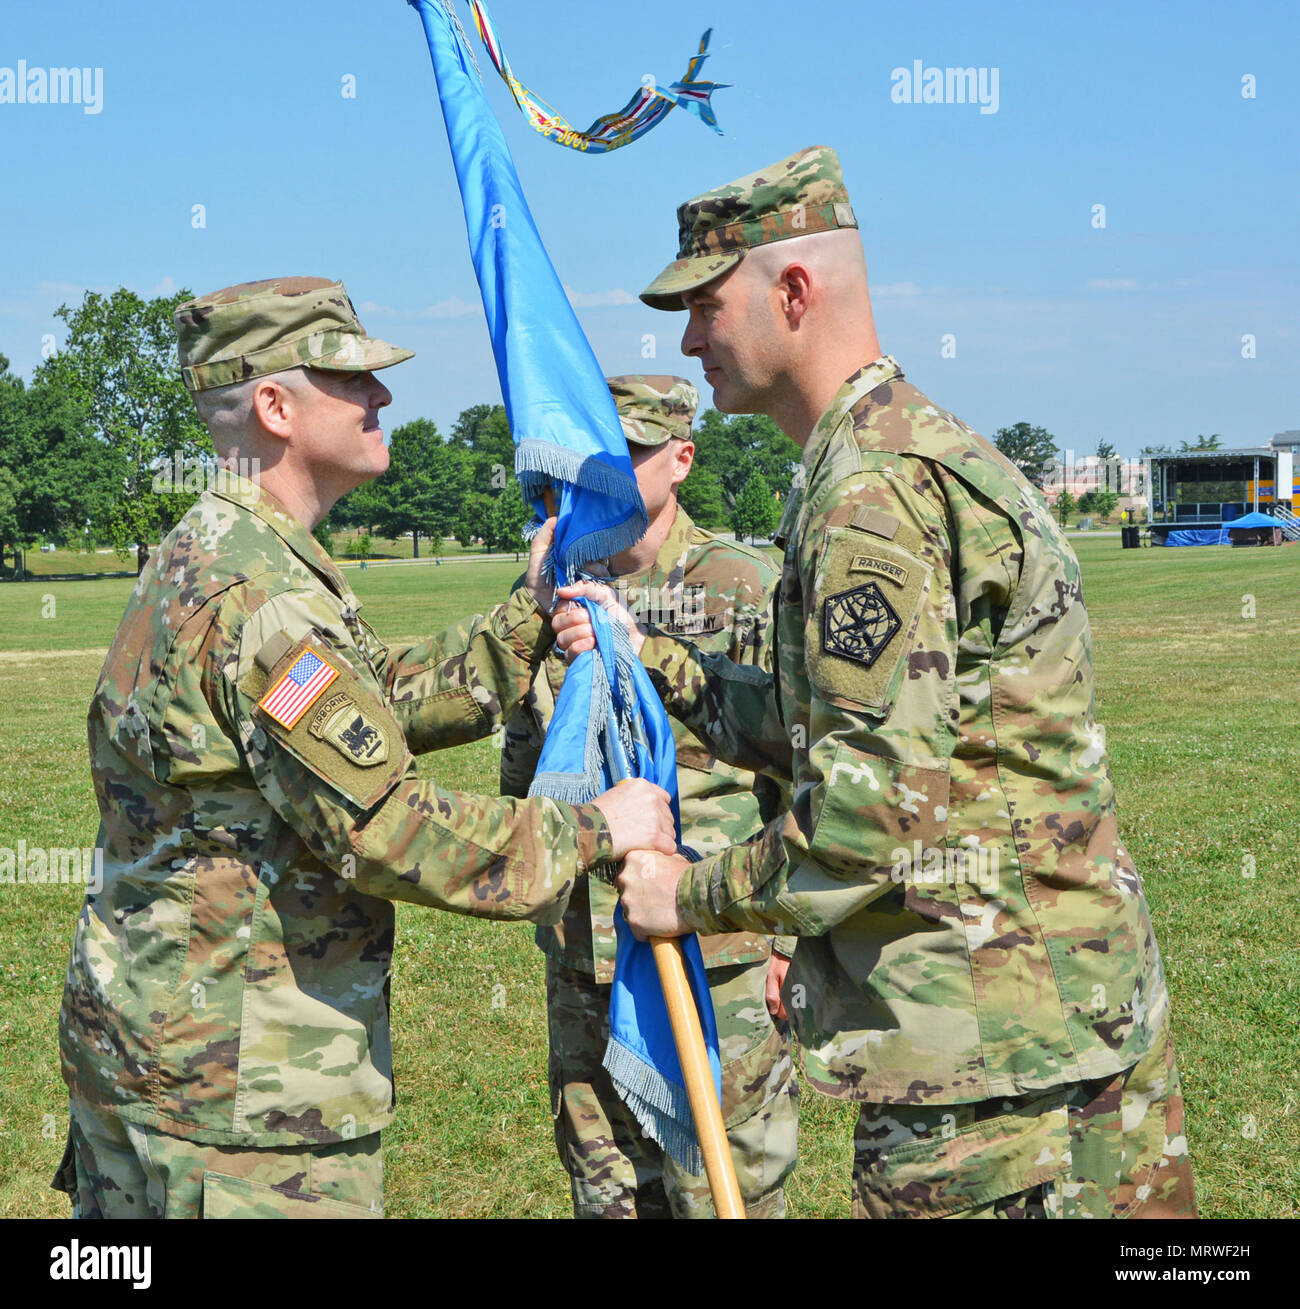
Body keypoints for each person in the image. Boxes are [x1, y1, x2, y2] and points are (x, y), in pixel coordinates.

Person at [554, 148, 1197, 1218]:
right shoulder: (878, 457)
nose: (686, 341)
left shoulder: (873, 495)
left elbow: (865, 817)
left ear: (792, 291)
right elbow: (828, 727)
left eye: (706, 306)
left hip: (990, 1067)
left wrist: (685, 895)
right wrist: (644, 653)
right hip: (1040, 1030)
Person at [53, 277, 675, 1219]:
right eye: (353, 381)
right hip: (243, 1101)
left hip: (151, 1056)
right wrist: (594, 827)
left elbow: (364, 702)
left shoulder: (215, 550)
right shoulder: (262, 598)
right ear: (275, 406)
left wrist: (527, 620)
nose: (382, 398)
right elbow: (386, 825)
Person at [499, 374, 798, 1218]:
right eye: (601, 455)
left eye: (634, 452)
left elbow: (793, 766)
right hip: (586, 964)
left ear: (683, 458)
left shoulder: (740, 583)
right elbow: (522, 778)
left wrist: (786, 941)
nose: (615, 473)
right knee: (609, 1196)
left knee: (722, 1187)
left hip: (720, 956)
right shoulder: (556, 591)